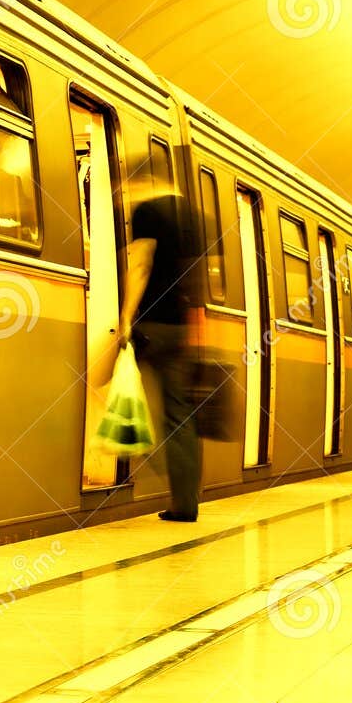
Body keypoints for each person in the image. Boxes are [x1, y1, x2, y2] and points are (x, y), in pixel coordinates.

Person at [120, 192, 202, 522]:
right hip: (179, 326)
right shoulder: (188, 216)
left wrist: (126, 317)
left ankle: (123, 454)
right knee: (179, 417)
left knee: (117, 388)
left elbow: (141, 264)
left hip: (152, 325)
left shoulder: (147, 210)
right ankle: (185, 503)